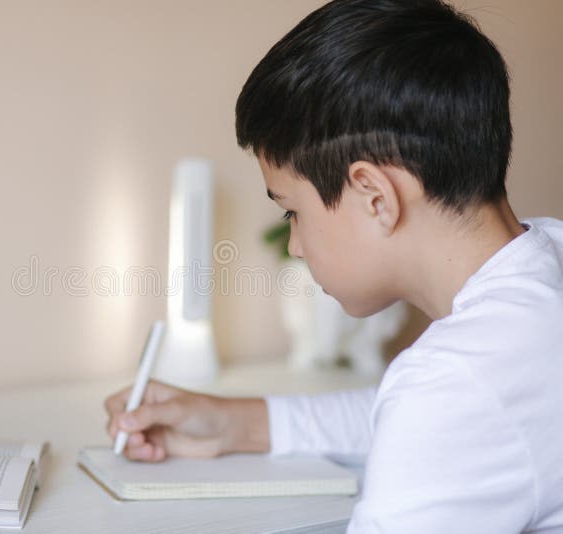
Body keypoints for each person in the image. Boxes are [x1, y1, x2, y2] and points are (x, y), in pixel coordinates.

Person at [104, 0, 563, 531]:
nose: (295, 246)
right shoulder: (544, 263)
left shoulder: (458, 382)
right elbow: (407, 415)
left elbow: (441, 407)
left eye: (293, 212)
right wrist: (234, 423)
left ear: (374, 196)